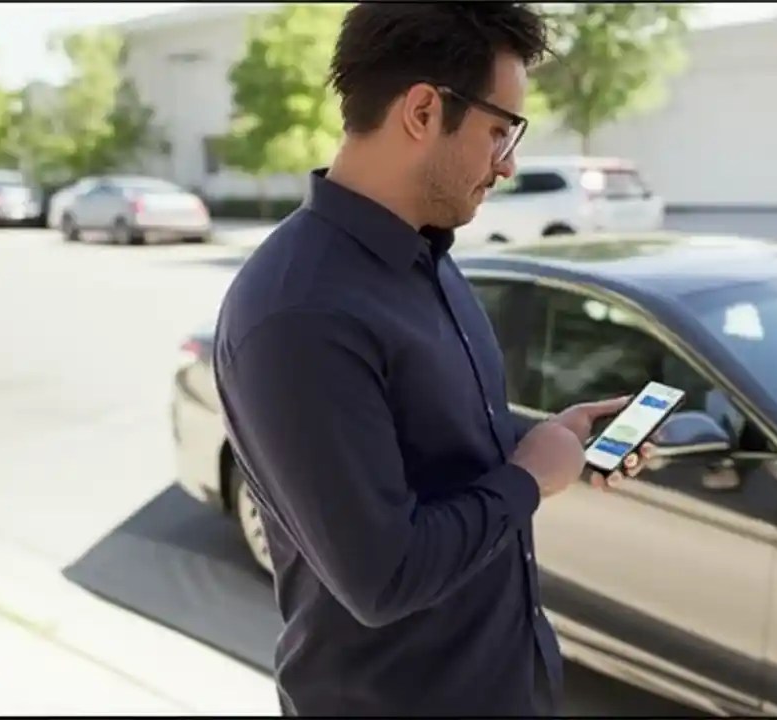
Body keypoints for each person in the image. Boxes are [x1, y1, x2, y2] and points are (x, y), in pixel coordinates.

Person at [212, 3, 653, 715]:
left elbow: (437, 452)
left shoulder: (429, 258)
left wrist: (551, 439)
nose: (508, 164)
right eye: (500, 131)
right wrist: (528, 480)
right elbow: (383, 578)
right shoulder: (298, 313)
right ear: (422, 110)